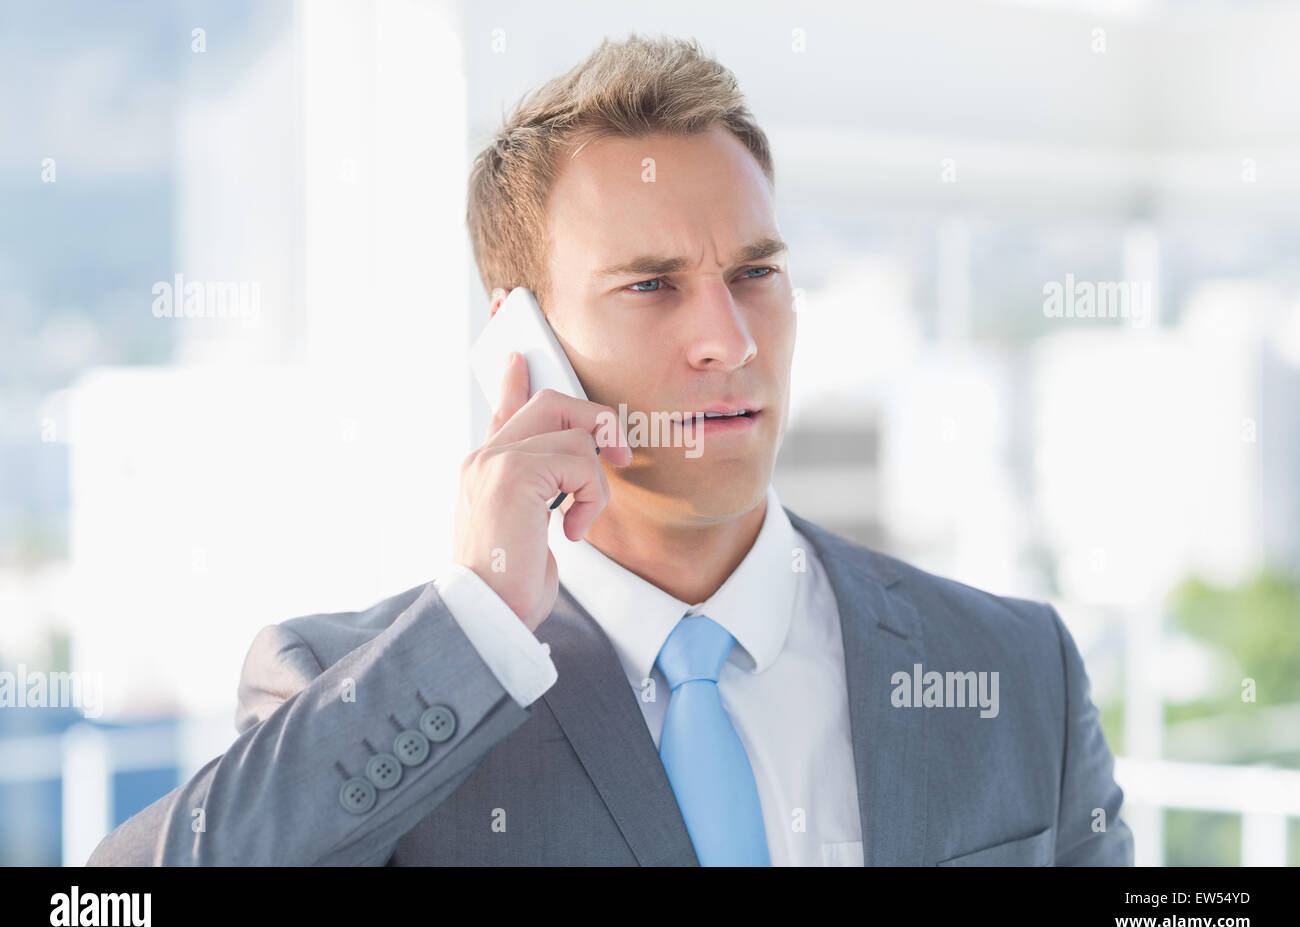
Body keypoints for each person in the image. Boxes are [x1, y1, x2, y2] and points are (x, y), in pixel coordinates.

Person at [87, 33, 1132, 867]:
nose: (728, 335)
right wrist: (477, 619)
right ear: (523, 340)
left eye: (755, 272)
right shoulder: (365, 686)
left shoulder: (1010, 668)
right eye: (651, 284)